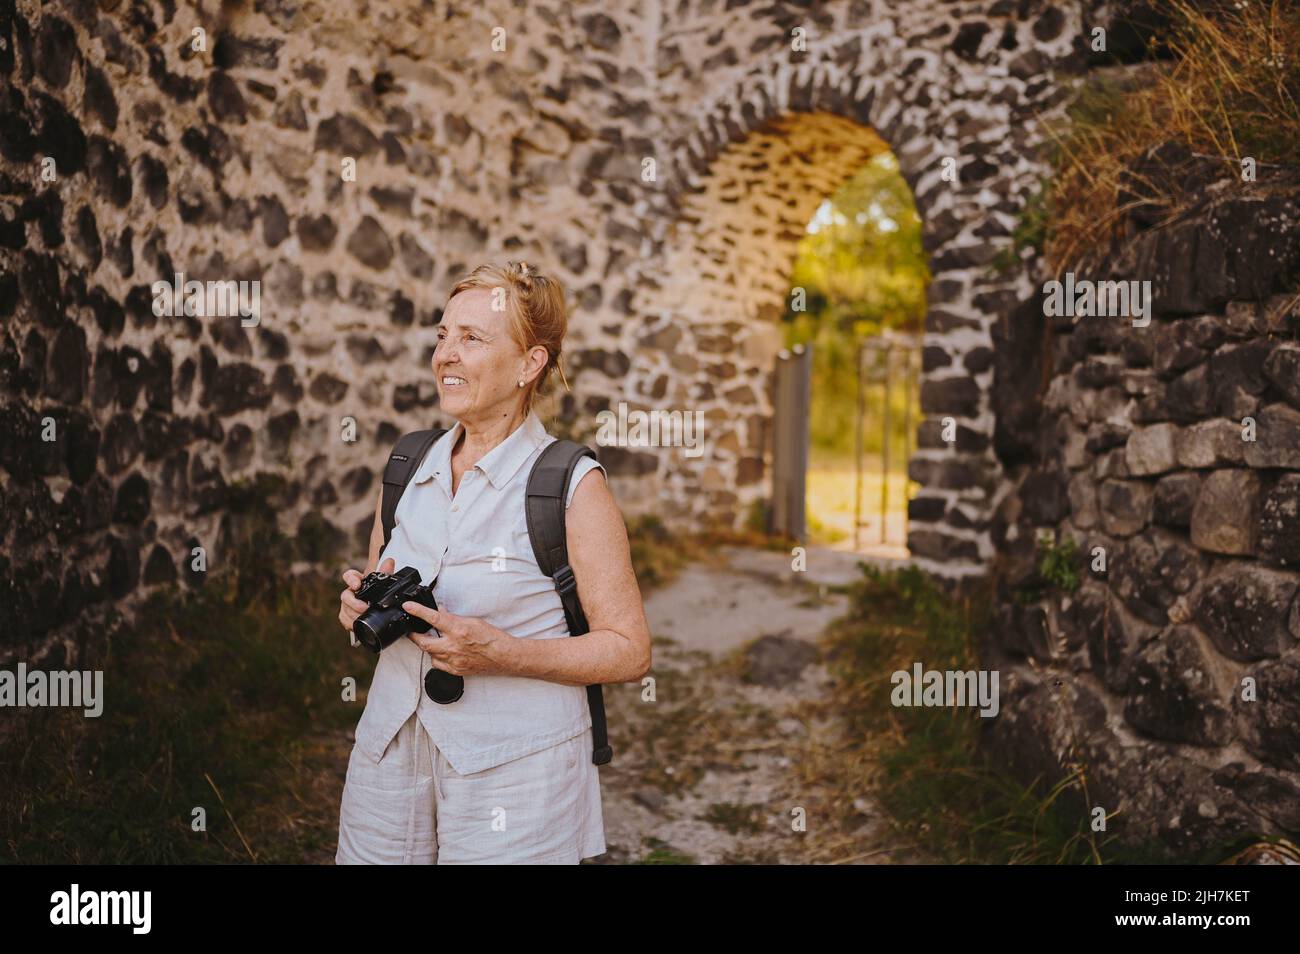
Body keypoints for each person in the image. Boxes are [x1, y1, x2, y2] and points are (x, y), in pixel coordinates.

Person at [334, 261, 651, 864]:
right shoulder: (408, 464)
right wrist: (357, 604)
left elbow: (630, 650)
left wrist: (503, 653)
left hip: (518, 771)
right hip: (390, 751)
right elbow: (377, 577)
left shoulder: (569, 485)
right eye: (442, 336)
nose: (445, 356)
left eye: (471, 339)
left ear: (530, 364)